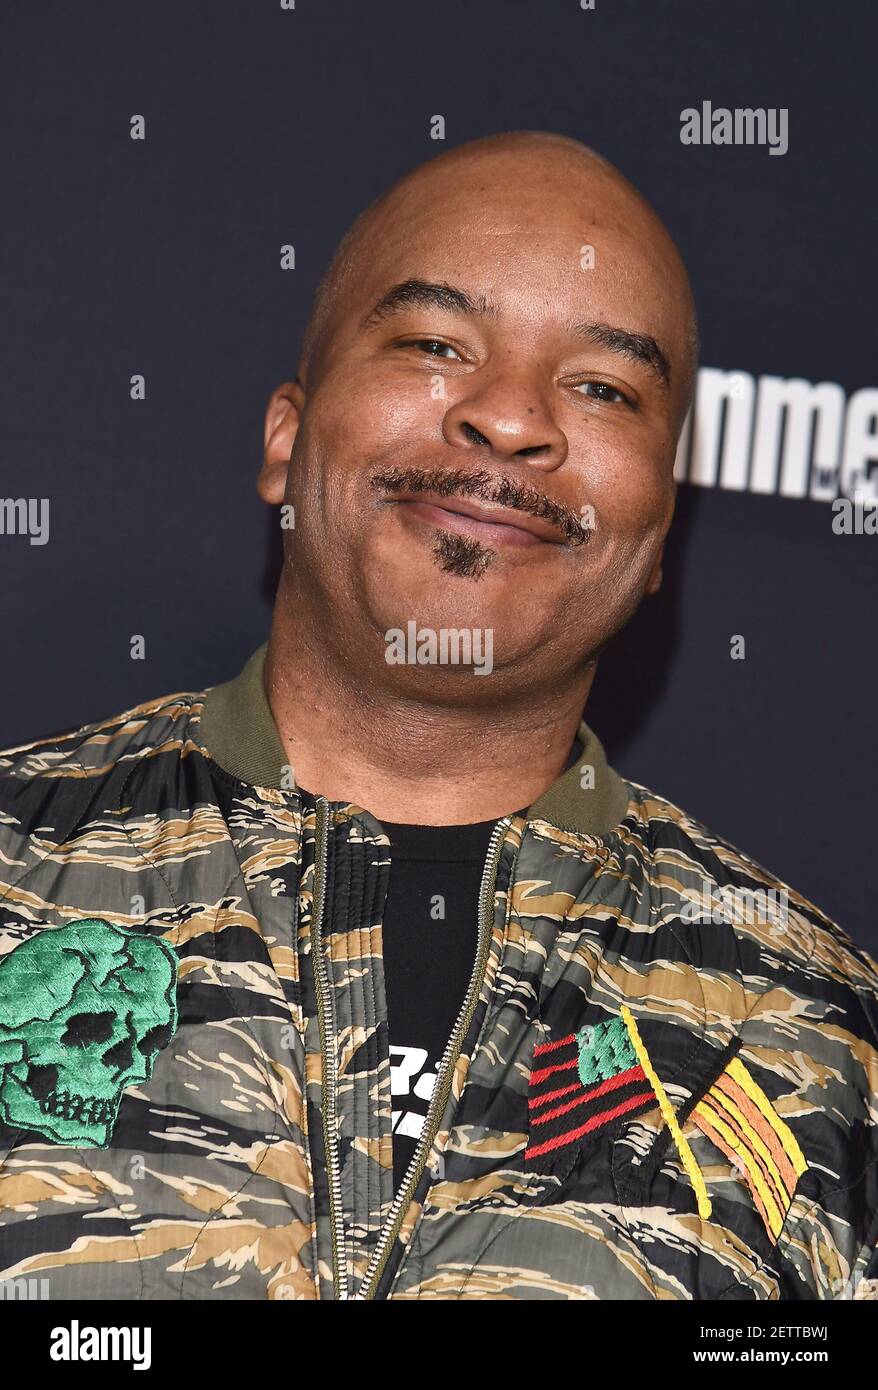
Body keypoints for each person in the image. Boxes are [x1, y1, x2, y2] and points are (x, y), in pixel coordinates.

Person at [0, 131, 875, 1302]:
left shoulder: (812, 1026)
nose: (510, 418)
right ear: (285, 437)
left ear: (658, 533)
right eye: (433, 344)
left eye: (603, 387)